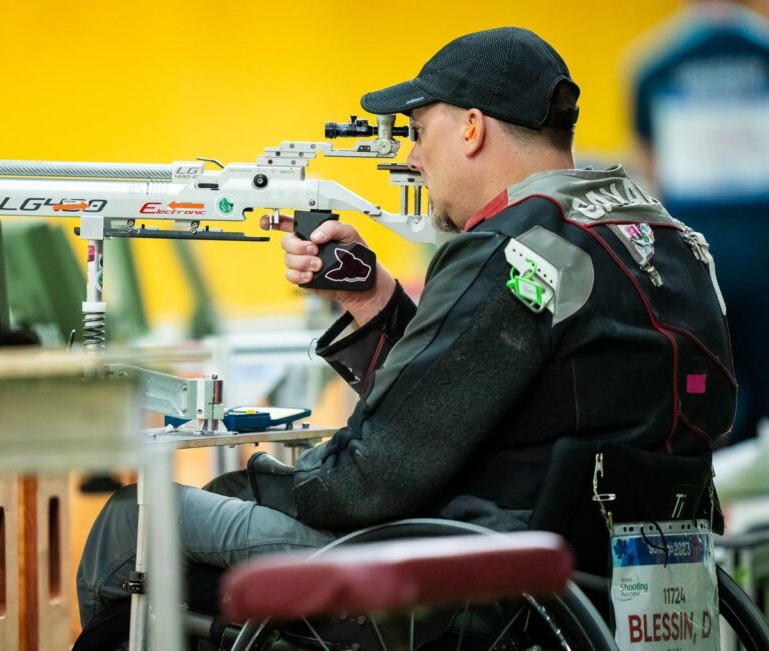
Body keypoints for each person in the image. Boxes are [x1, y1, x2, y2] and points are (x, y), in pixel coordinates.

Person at [75, 26, 736, 647]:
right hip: (597, 585)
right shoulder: (670, 244)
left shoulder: (511, 248)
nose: (414, 158)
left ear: (472, 128)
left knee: (137, 519)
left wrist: (264, 480)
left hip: (470, 589)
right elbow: (490, 397)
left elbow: (366, 479)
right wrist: (372, 299)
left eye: (420, 132)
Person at [628, 0, 769, 443]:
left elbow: (650, 169)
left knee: (699, 382)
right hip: (762, 252)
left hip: (696, 261)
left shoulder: (655, 64)